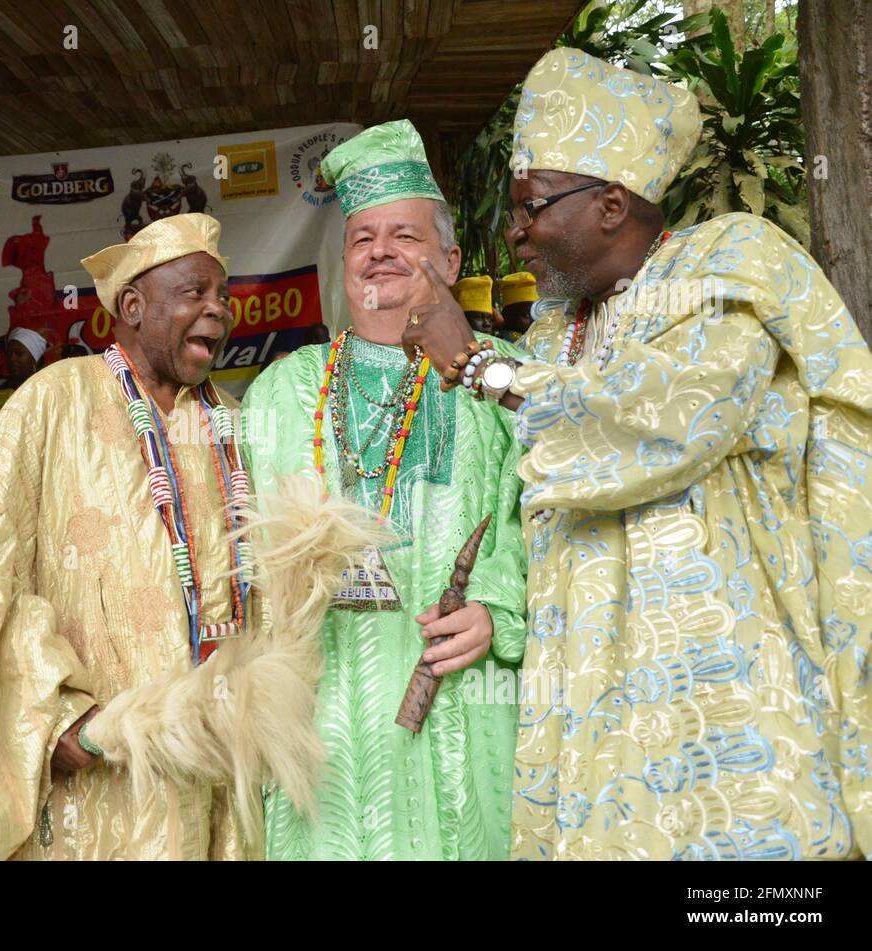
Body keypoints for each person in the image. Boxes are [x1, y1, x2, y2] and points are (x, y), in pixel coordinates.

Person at [410, 47, 872, 860]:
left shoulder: (727, 265)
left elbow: (664, 423)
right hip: (595, 715)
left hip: (730, 706)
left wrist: (480, 363)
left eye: (530, 207)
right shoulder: (561, 329)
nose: (514, 232)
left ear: (613, 203)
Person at [0, 214, 266, 860]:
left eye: (222, 297)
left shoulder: (235, 424)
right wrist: (53, 708)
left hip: (219, 764)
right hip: (102, 776)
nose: (218, 311)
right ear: (134, 306)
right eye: (195, 293)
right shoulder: (51, 402)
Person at [242, 119, 528, 860]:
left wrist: (500, 607)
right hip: (322, 713)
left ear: (450, 257)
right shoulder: (282, 389)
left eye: (404, 235)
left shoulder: (506, 379)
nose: (380, 252)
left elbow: (557, 510)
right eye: (362, 238)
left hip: (463, 700)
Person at [498, 271, 537, 341]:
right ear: (510, 316)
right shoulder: (505, 342)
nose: (533, 321)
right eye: (526, 316)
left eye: (537, 314)